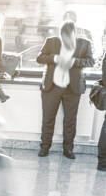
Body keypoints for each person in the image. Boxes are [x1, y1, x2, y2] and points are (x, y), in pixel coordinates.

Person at [36, 20, 94, 159]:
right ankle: (45, 147)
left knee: (70, 121)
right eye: (63, 35)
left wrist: (74, 62)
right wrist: (55, 58)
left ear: (74, 33)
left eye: (68, 35)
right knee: (48, 119)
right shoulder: (51, 41)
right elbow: (39, 58)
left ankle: (68, 149)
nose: (65, 38)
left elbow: (90, 61)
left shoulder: (84, 43)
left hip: (72, 88)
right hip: (51, 87)